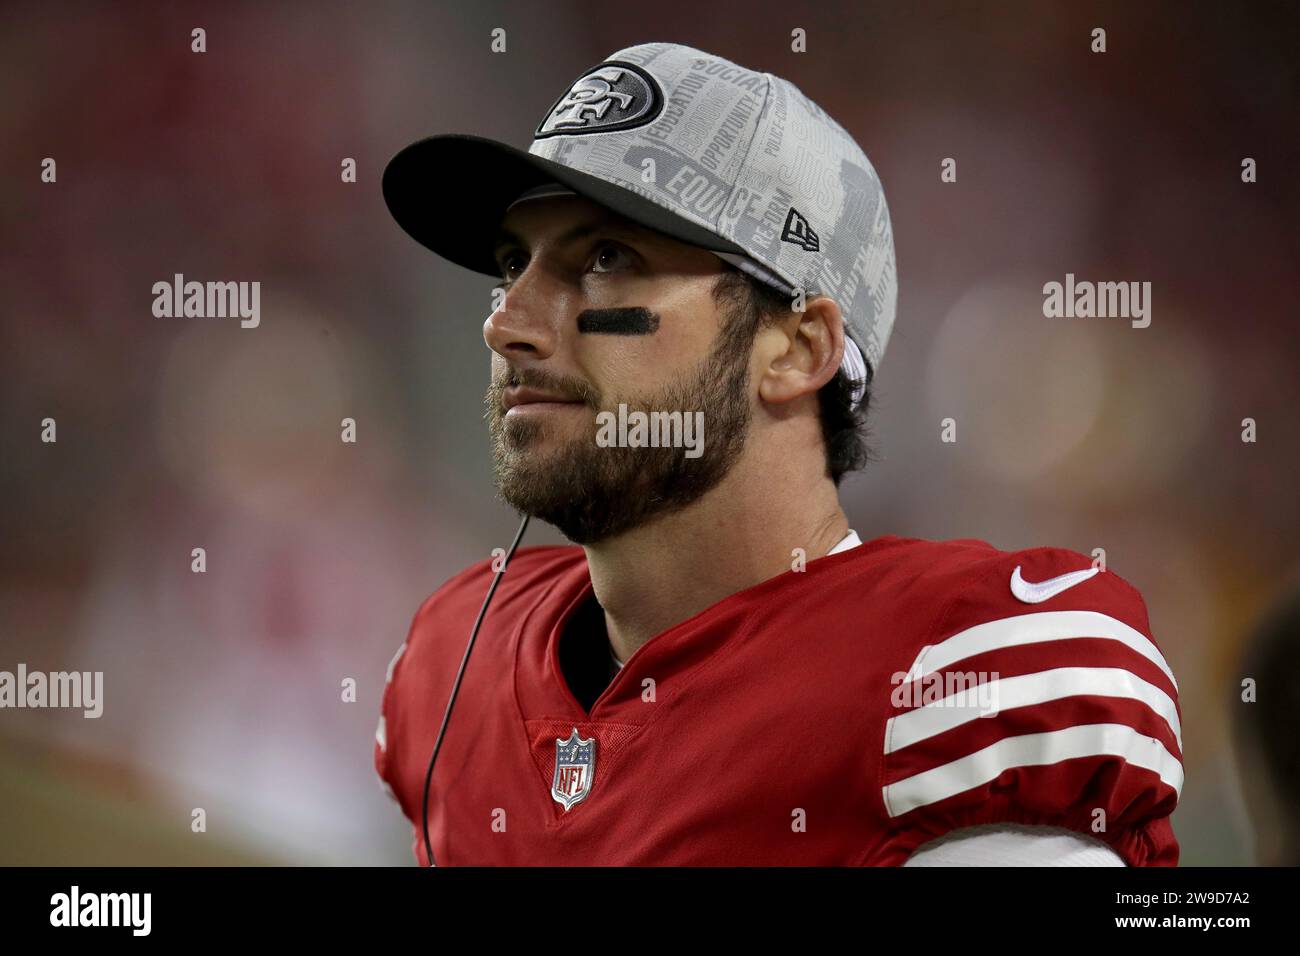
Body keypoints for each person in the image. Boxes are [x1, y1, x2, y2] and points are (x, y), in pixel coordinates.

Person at [375, 41, 1182, 865]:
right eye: (514, 263)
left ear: (798, 349)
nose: (506, 321)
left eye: (607, 260)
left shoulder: (940, 681)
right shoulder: (456, 662)